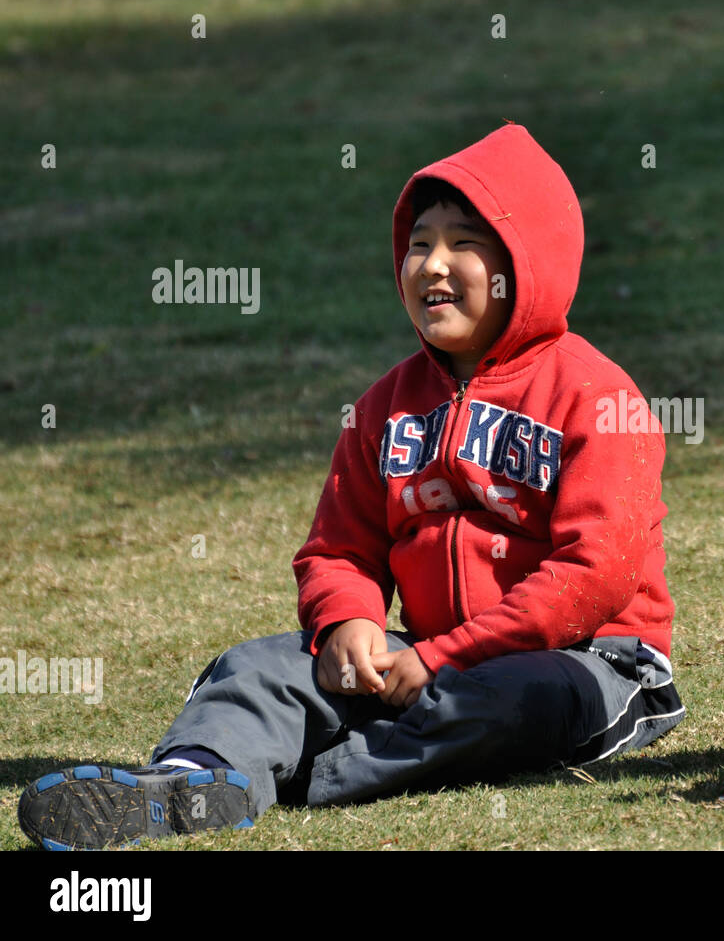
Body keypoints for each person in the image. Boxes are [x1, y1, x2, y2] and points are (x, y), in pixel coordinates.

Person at [19, 123, 684, 849]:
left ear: (528, 263)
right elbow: (339, 549)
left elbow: (593, 576)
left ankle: (305, 776)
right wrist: (348, 622)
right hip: (423, 658)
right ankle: (191, 778)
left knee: (499, 698)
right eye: (418, 242)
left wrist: (448, 654)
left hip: (590, 666)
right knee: (262, 664)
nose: (431, 263)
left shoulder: (595, 395)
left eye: (464, 242)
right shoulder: (384, 407)